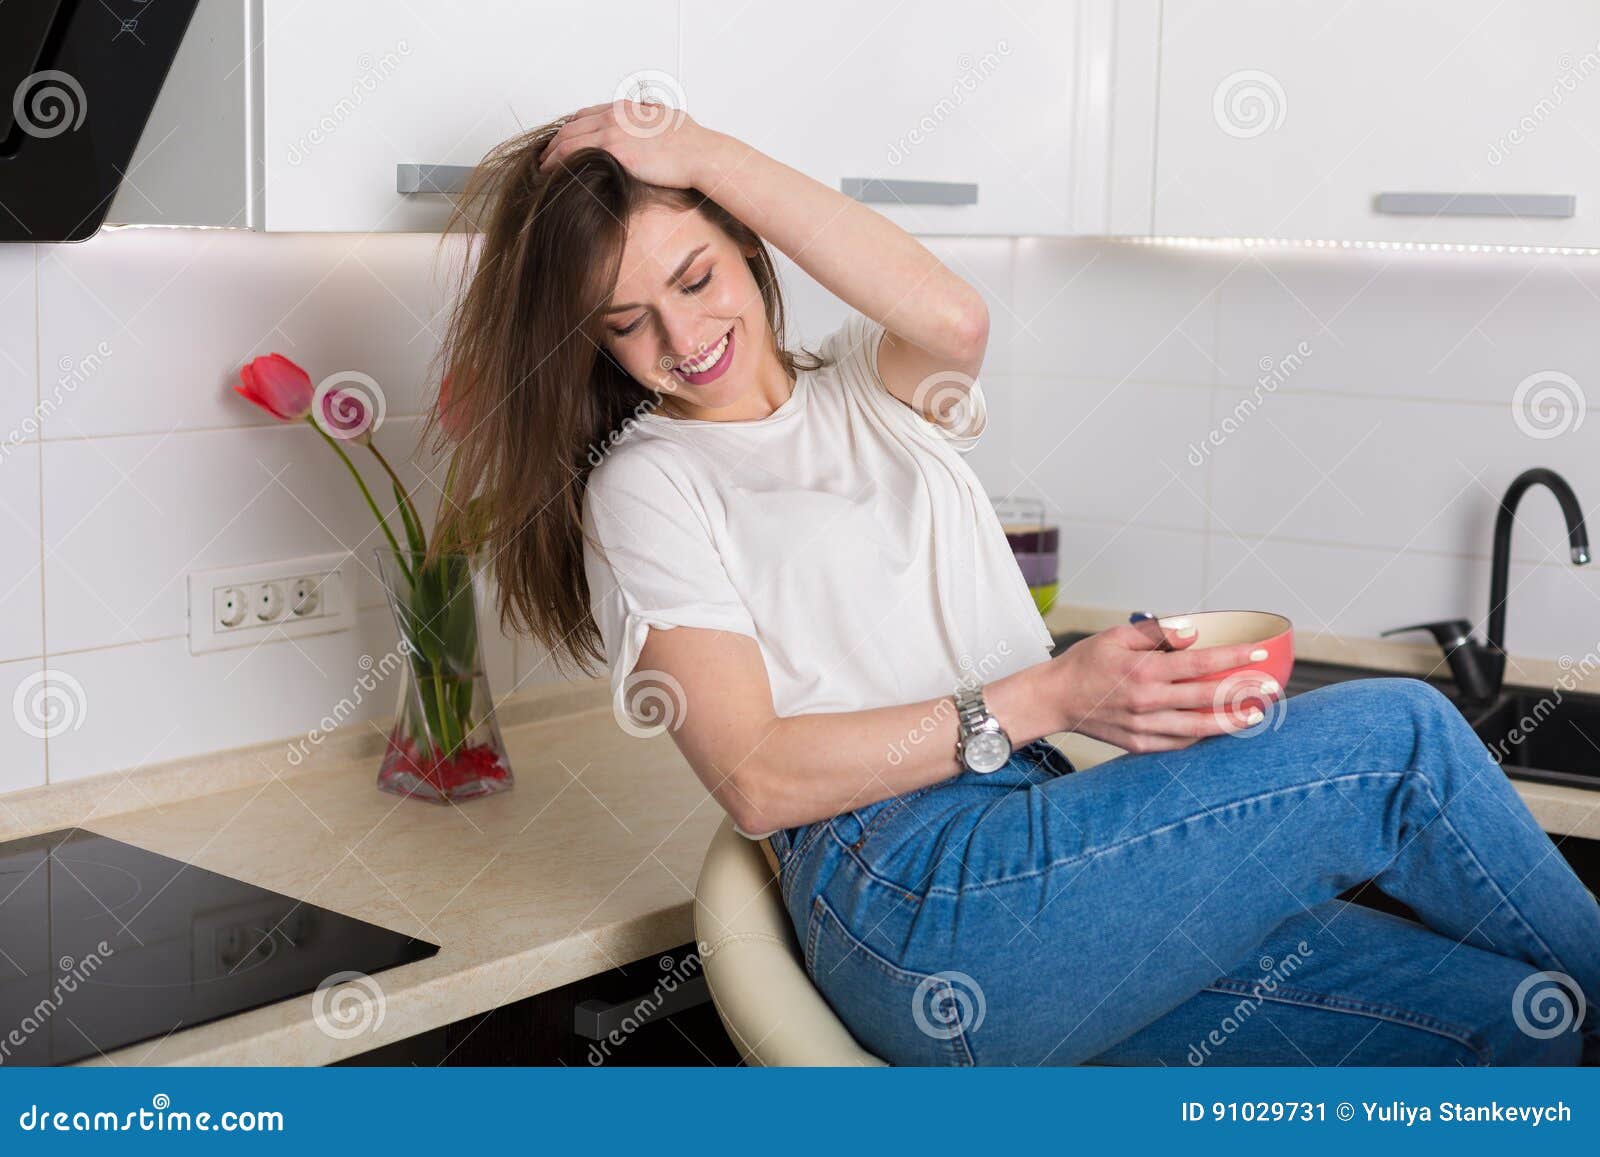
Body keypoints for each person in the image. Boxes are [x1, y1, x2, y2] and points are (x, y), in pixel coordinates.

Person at [426, 101, 1600, 1066]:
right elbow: (756, 774)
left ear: (746, 244)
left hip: (1040, 861)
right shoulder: (648, 481)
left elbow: (952, 312)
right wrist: (1047, 696)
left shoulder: (862, 388)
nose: (681, 337)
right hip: (919, 898)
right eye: (627, 323)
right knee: (1399, 736)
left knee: (1523, 1023)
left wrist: (695, 151)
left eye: (695, 276)